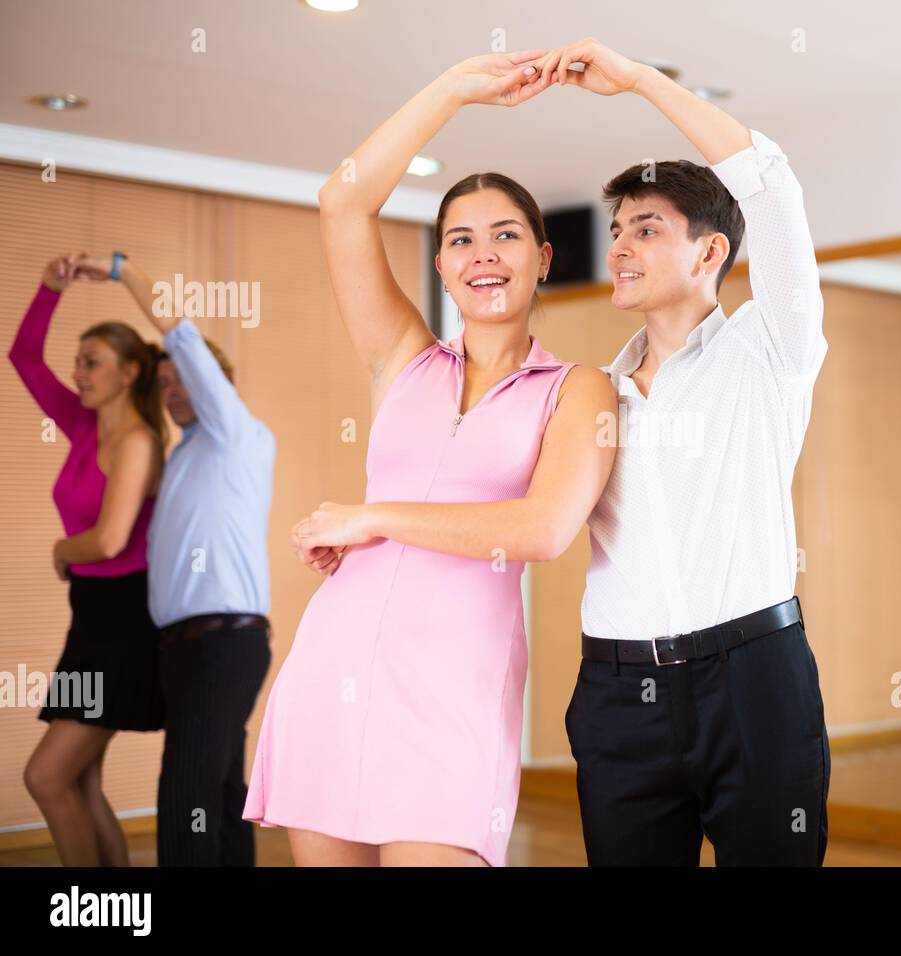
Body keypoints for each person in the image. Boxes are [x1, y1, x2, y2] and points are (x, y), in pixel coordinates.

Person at [244, 50, 616, 867]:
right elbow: (343, 199)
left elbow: (543, 529)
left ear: (543, 258)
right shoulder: (402, 358)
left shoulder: (579, 389)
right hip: (336, 668)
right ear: (443, 265)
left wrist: (372, 516)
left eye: (507, 235)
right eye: (461, 240)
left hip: (455, 692)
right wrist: (452, 90)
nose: (484, 254)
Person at [539, 38, 830, 866]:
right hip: (617, 696)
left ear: (710, 253)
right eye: (617, 229)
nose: (620, 246)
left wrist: (637, 81)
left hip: (755, 682)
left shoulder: (771, 350)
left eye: (647, 228)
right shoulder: (588, 393)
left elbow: (769, 185)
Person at [64, 252, 276, 866]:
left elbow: (178, 332)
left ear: (214, 379)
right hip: (184, 645)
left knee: (185, 792)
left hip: (222, 641)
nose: (172, 388)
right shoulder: (180, 456)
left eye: (182, 377)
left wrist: (120, 270)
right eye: (162, 384)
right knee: (216, 788)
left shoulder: (237, 434)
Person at [10, 254, 167, 865]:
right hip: (91, 619)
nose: (78, 373)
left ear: (130, 372)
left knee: (46, 777)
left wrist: (58, 550)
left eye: (92, 363)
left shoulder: (138, 442)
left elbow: (107, 541)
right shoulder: (80, 426)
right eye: (77, 362)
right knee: (81, 781)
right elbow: (23, 359)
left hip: (125, 625)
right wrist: (49, 288)